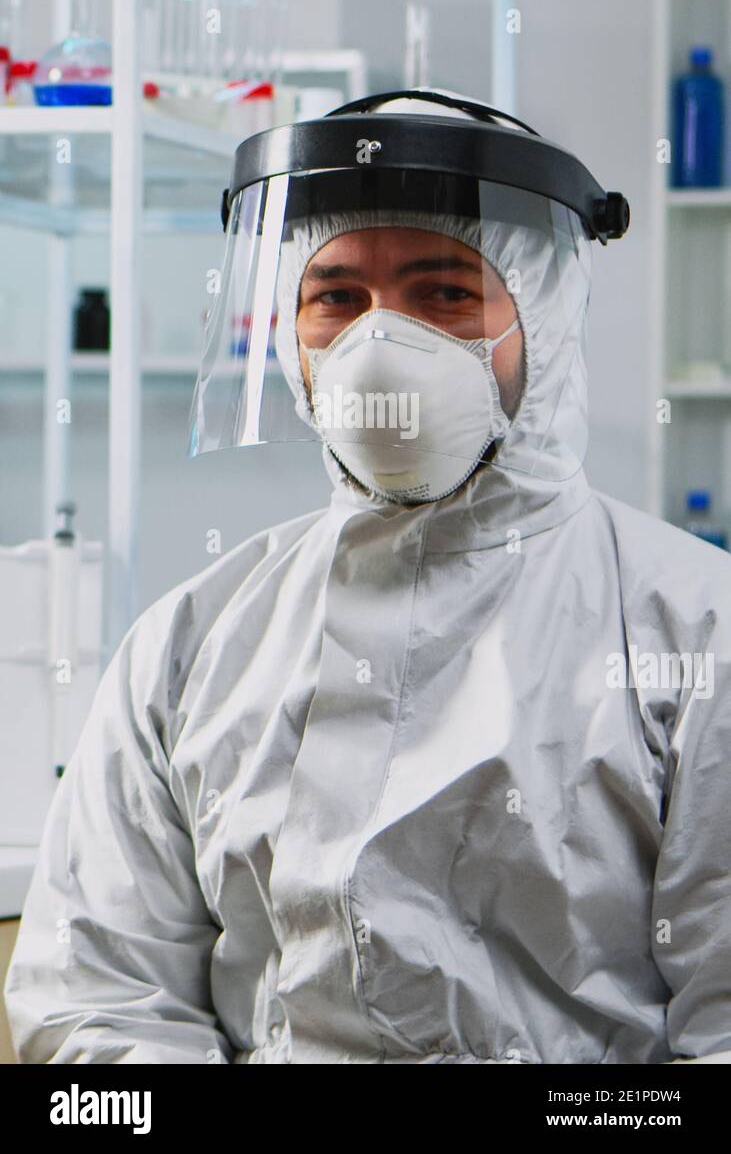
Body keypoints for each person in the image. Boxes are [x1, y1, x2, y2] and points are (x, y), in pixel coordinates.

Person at [4, 89, 730, 1065]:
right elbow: (96, 995)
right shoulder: (189, 646)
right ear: (291, 334)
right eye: (336, 298)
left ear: (541, 320)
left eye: (443, 293)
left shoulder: (692, 634)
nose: (379, 351)